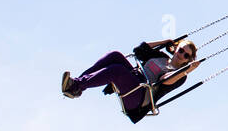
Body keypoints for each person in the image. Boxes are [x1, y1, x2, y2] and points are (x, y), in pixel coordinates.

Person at [61, 38, 200, 123]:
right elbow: (139, 49)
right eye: (181, 50)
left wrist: (186, 70)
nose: (182, 55)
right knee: (115, 55)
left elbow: (164, 80)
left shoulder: (181, 76)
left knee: (117, 70)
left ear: (188, 60)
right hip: (135, 78)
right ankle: (76, 85)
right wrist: (165, 42)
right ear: (176, 48)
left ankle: (76, 86)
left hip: (140, 96)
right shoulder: (161, 56)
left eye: (186, 55)